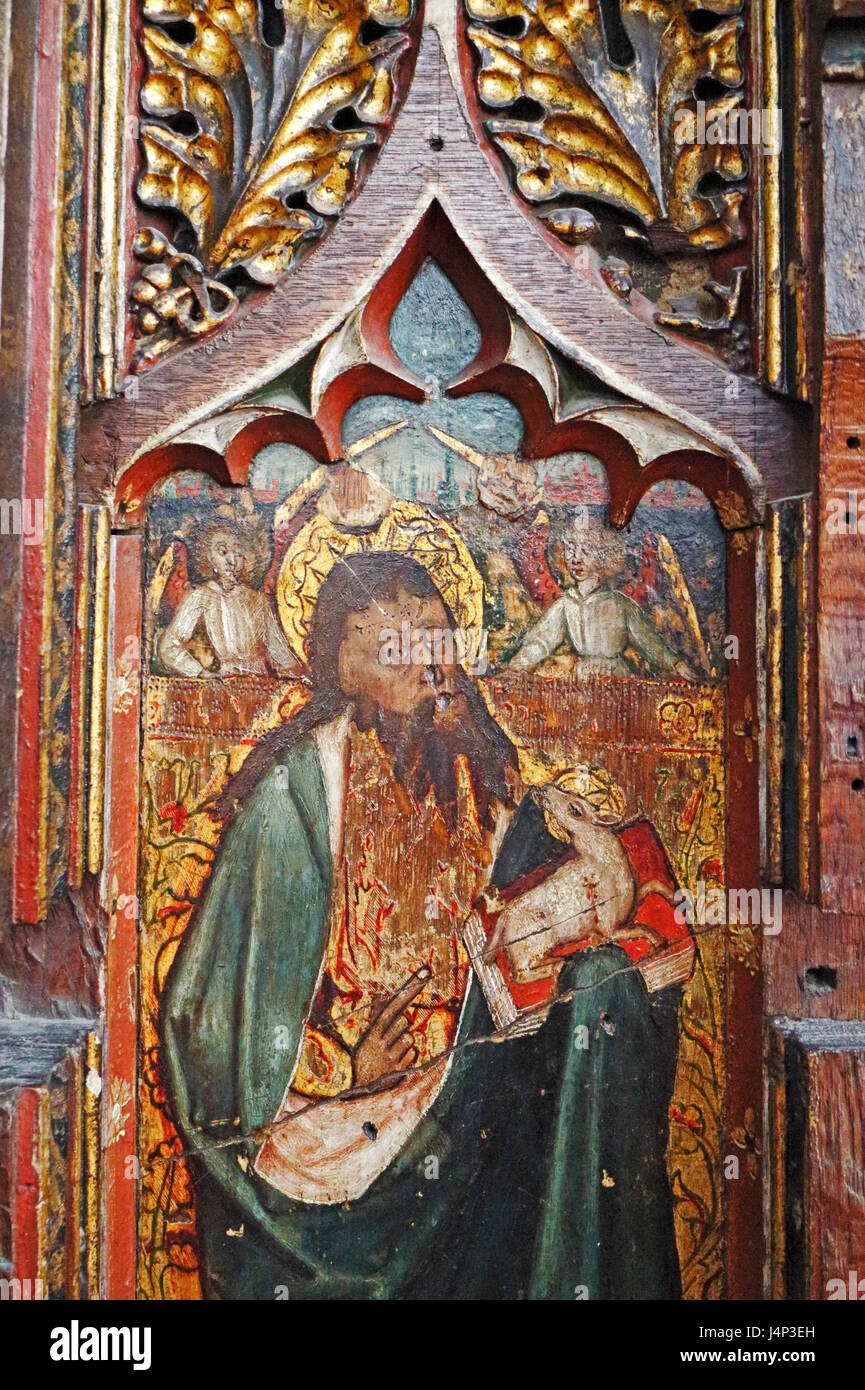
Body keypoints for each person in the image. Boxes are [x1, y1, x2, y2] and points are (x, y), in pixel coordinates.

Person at [162, 552, 691, 1300]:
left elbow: (567, 920)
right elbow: (212, 1024)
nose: (430, 669)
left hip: (478, 1090)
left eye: (439, 642)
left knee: (601, 992)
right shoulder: (293, 806)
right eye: (396, 652)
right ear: (343, 672)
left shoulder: (494, 792)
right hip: (348, 1117)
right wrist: (337, 1069)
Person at [510, 516, 695, 677]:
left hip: (617, 680)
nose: (577, 559)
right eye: (571, 549)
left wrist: (676, 663)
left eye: (585, 550)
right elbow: (541, 642)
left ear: (603, 556)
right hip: (581, 680)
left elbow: (648, 641)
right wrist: (515, 667)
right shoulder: (565, 605)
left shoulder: (621, 604)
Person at [159, 520, 301, 678]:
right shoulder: (201, 597)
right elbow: (169, 647)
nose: (232, 561)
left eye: (238, 554)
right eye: (223, 552)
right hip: (225, 685)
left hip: (258, 684)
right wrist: (199, 672)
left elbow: (280, 651)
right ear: (209, 557)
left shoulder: (257, 600)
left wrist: (293, 674)